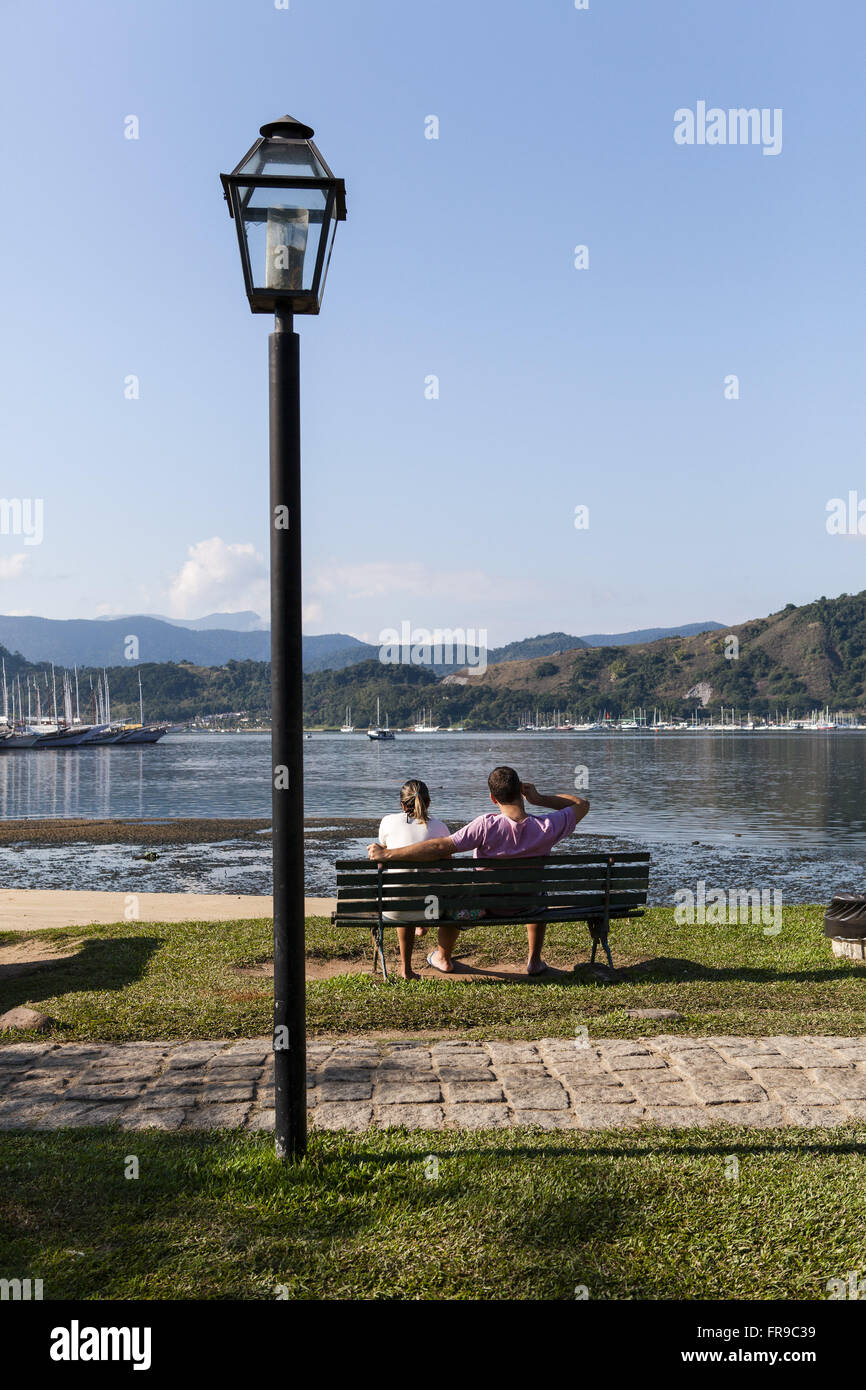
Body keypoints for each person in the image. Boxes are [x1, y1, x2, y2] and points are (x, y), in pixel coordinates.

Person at [367, 765, 590, 975]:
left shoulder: (485, 825)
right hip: (528, 905)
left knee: (456, 895)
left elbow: (440, 846)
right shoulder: (548, 826)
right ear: (521, 793)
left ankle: (442, 957)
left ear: (493, 798)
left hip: (485, 906)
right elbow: (582, 804)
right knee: (538, 892)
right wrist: (539, 799)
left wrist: (388, 854)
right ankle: (534, 961)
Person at [376, 778, 451, 980]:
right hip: (433, 909)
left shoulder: (387, 822)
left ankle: (406, 969)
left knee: (402, 891)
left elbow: (382, 861)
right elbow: (448, 869)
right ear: (428, 802)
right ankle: (441, 953)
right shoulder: (441, 828)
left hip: (394, 910)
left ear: (402, 804)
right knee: (427, 889)